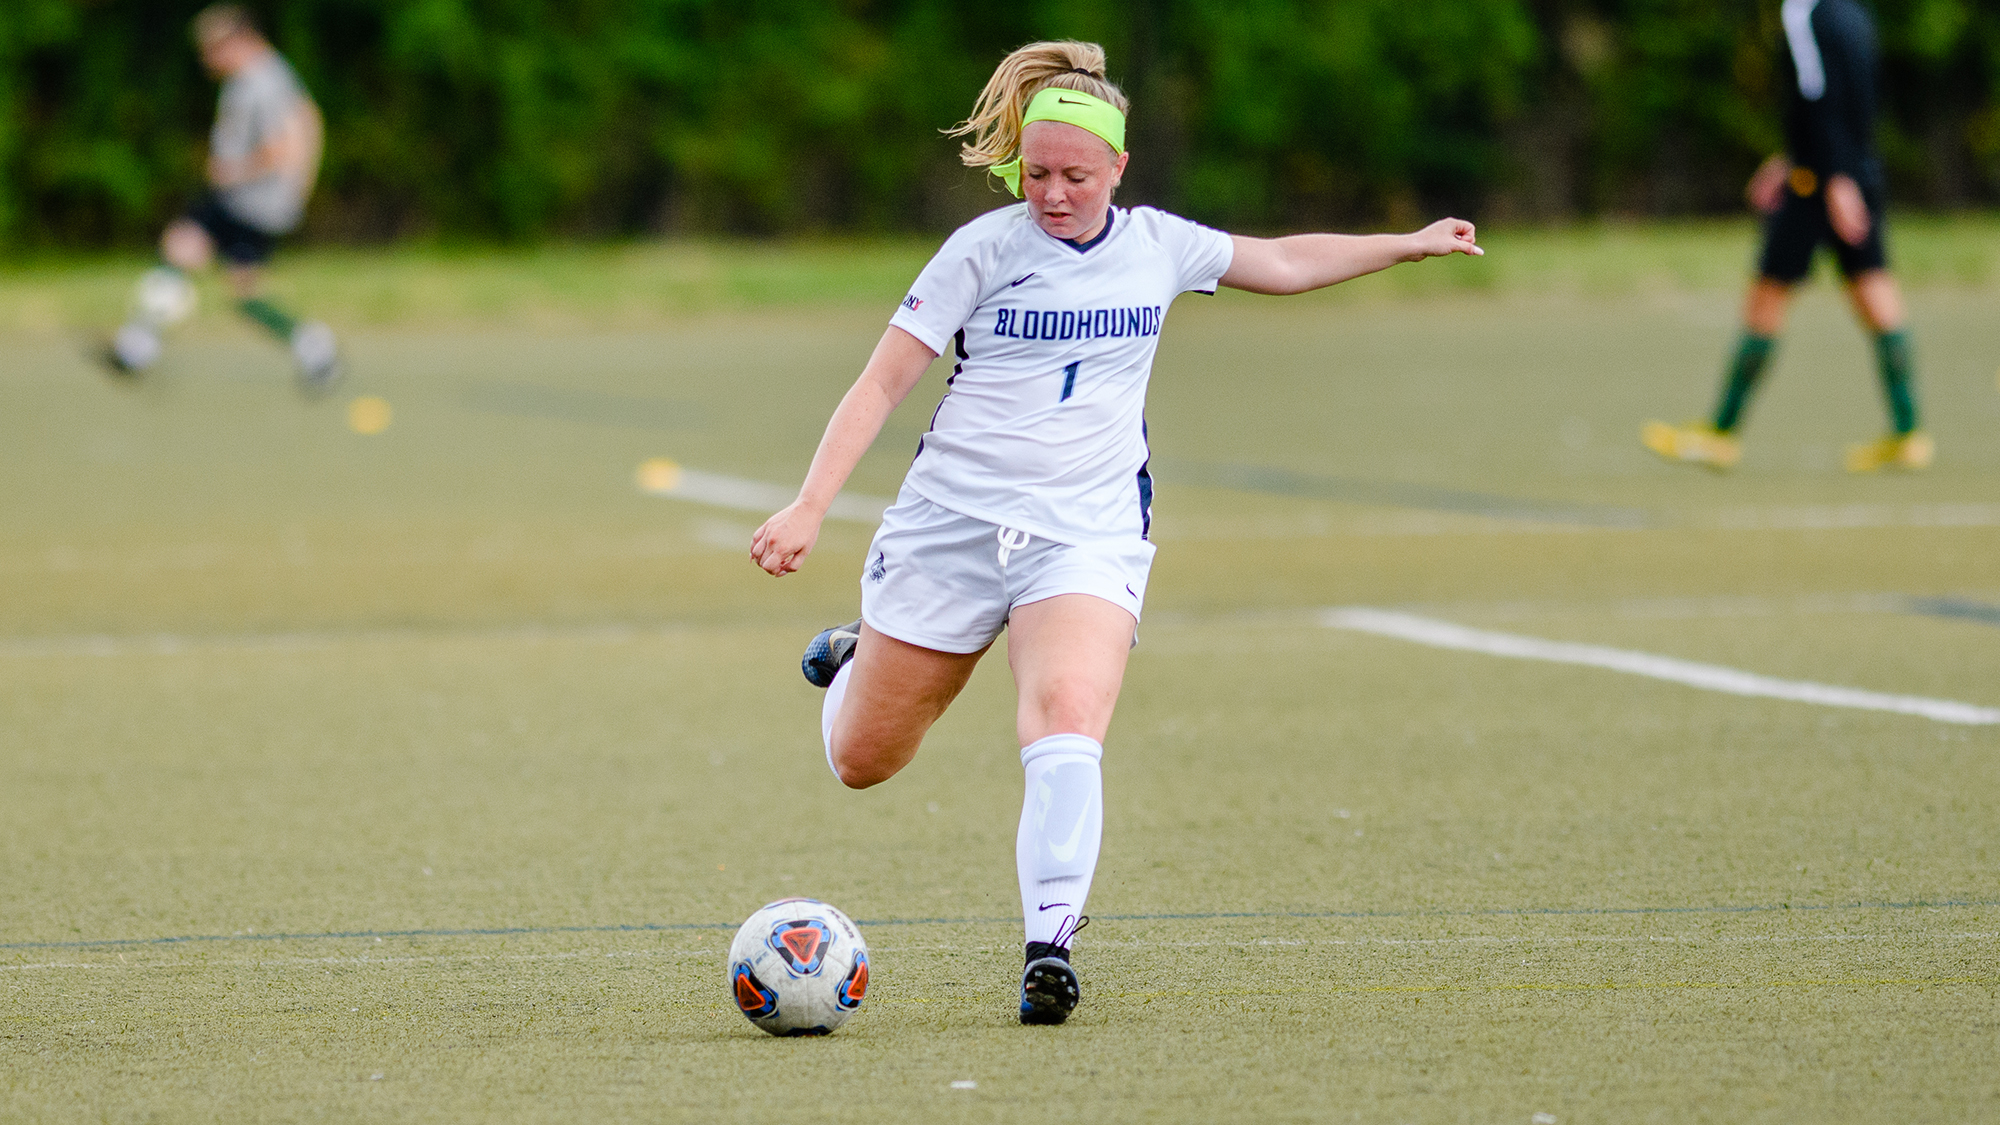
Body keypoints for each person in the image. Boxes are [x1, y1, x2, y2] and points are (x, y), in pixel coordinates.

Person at [748, 40, 1480, 1026]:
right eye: (1035, 173)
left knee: (1065, 718)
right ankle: (859, 656)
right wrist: (806, 506)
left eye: (1074, 176)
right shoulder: (980, 250)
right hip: (949, 531)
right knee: (863, 760)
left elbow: (1283, 260)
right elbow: (882, 382)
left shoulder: (1158, 245)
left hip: (1084, 535)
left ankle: (1048, 947)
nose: (1052, 193)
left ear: (1118, 170)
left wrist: (1403, 242)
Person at [1643, 0, 1926, 473]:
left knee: (1766, 296)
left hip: (1820, 186)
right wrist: (1808, 161)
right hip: (1860, 171)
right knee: (1875, 292)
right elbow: (1857, 98)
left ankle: (1721, 433)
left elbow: (1819, 98)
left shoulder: (1804, 11)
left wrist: (1830, 177)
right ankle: (1908, 433)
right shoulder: (1855, 12)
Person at [105, 4, 340, 391]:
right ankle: (314, 348)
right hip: (259, 201)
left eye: (212, 47)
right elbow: (310, 117)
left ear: (240, 39)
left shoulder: (261, 81)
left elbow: (283, 146)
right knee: (244, 293)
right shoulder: (268, 74)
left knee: (182, 244)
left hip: (247, 200)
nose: (206, 58)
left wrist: (238, 170)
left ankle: (138, 346)